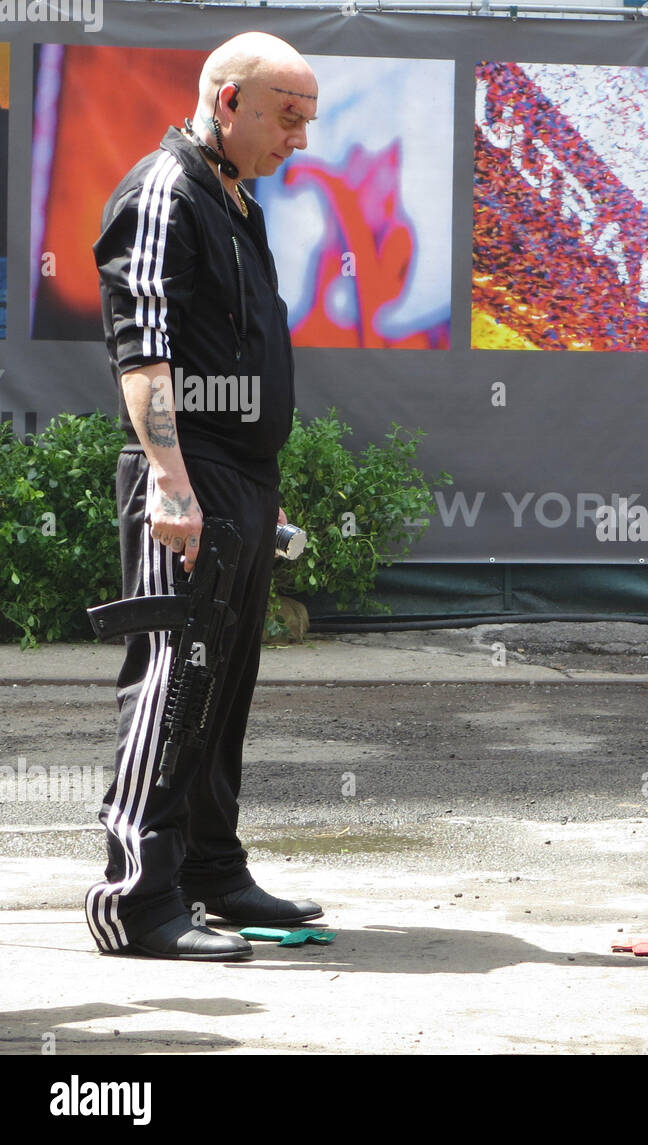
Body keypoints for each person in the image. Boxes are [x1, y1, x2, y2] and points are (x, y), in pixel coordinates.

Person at [88, 33, 321, 960]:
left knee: (221, 690)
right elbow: (142, 352)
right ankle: (135, 901)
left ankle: (211, 872)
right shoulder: (163, 192)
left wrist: (261, 491)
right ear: (229, 102)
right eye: (288, 117)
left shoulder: (236, 202)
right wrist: (173, 483)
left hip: (239, 481)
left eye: (307, 120)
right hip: (187, 478)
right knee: (171, 687)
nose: (299, 139)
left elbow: (238, 355)